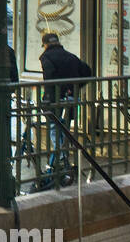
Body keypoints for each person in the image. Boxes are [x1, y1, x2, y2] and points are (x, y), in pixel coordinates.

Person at [39, 31, 92, 175]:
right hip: (71, 98)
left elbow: (49, 78)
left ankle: (61, 157)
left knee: (53, 125)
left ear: (45, 45)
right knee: (64, 128)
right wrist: (74, 87)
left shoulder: (46, 57)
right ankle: (63, 158)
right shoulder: (71, 56)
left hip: (56, 98)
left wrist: (55, 92)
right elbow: (88, 71)